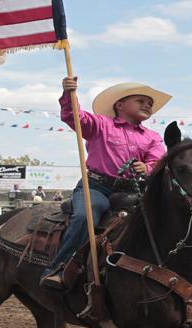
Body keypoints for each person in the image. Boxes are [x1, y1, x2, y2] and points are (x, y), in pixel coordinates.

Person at [42, 76, 170, 289]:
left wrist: (147, 168)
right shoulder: (101, 124)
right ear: (120, 105)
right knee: (85, 216)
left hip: (131, 191)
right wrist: (69, 95)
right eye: (141, 100)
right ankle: (59, 267)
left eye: (150, 103)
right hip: (96, 187)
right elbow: (74, 117)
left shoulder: (153, 137)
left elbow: (157, 161)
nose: (148, 105)